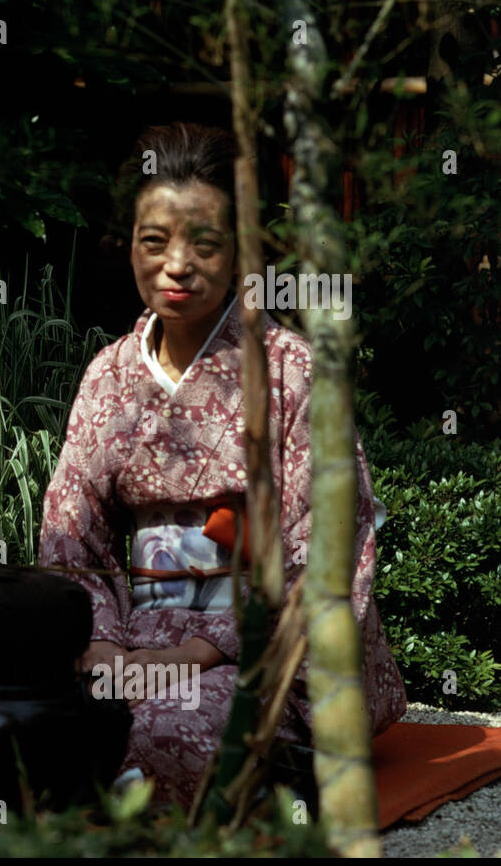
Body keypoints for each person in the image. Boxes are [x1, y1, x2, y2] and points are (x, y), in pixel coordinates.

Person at [38, 122, 407, 807]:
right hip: (134, 646)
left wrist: (205, 648)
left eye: (203, 241)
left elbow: (324, 554)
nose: (177, 263)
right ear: (130, 245)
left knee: (163, 734)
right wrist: (103, 646)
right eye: (155, 241)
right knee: (11, 711)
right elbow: (73, 540)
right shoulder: (109, 376)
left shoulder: (294, 374)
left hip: (263, 656)